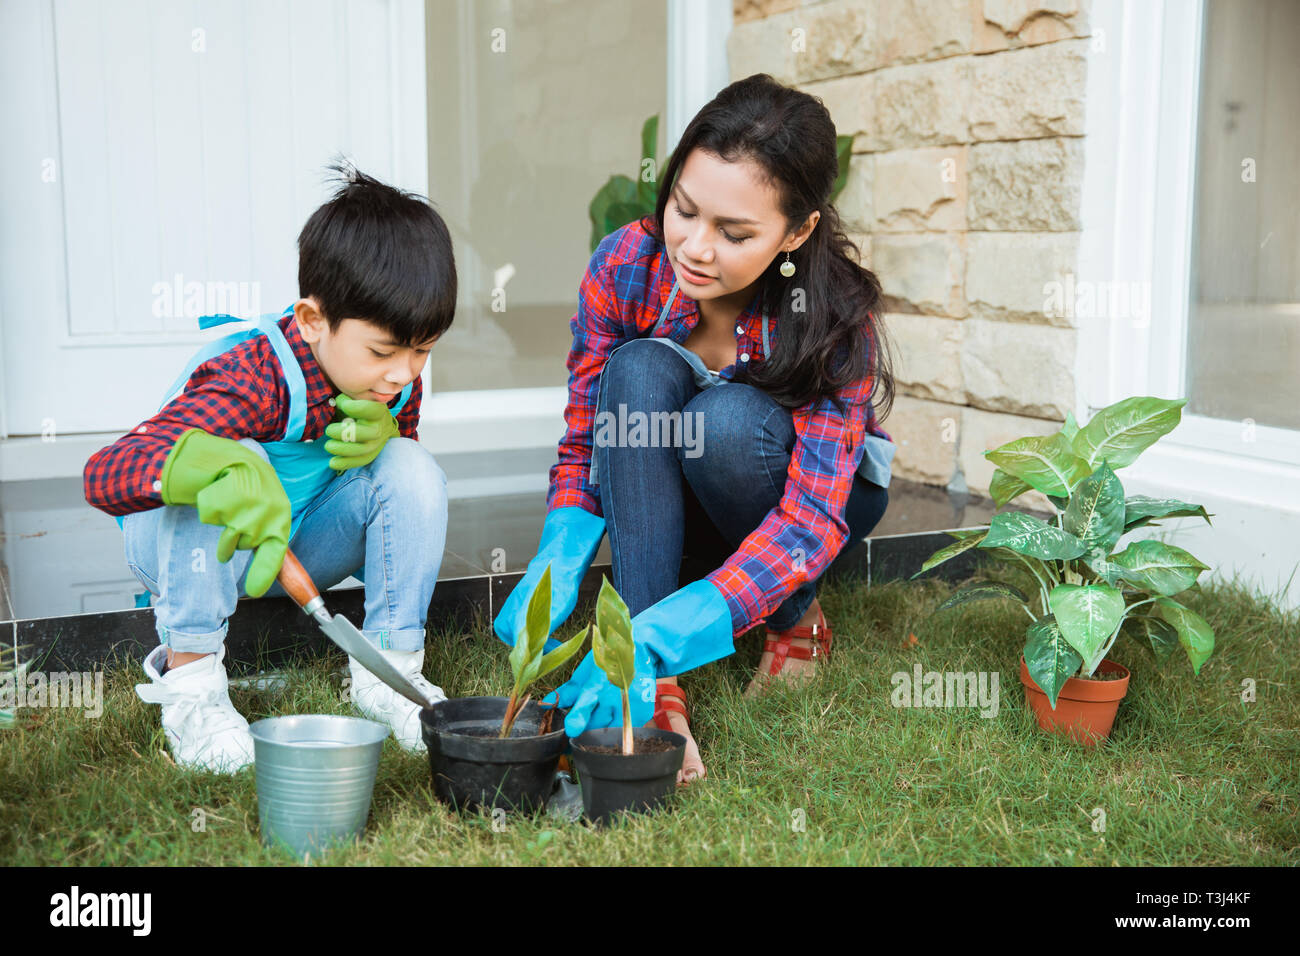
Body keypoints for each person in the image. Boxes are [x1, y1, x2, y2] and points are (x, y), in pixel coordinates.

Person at [494, 74, 896, 783]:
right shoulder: (627, 262)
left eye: (735, 233)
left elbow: (809, 521)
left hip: (802, 501)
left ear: (797, 231)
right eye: (685, 208)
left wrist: (682, 628)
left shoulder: (831, 315)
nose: (695, 248)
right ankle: (644, 687)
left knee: (725, 425)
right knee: (639, 368)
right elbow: (591, 432)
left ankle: (794, 621)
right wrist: (561, 549)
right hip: (675, 493)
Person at [83, 166, 457, 773]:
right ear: (312, 320)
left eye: (424, 350)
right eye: (385, 352)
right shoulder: (252, 373)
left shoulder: (391, 379)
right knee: (236, 454)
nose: (404, 374)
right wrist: (207, 466)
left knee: (409, 464)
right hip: (193, 554)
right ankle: (193, 685)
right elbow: (104, 475)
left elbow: (397, 497)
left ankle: (388, 674)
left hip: (296, 546)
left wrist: (393, 433)